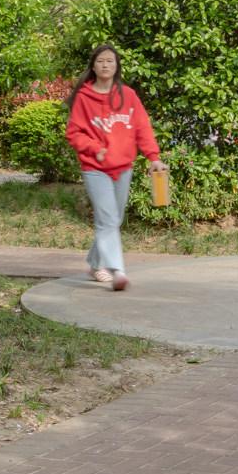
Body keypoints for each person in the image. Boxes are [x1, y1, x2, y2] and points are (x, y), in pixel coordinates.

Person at [65, 44, 167, 292]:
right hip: (95, 167)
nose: (105, 65)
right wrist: (94, 148)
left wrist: (153, 157)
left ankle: (94, 263)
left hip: (123, 167)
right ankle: (117, 270)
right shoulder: (84, 98)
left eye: (110, 61)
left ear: (116, 66)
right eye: (101, 61)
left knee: (113, 219)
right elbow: (74, 133)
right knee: (108, 220)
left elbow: (142, 127)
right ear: (93, 66)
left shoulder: (128, 95)